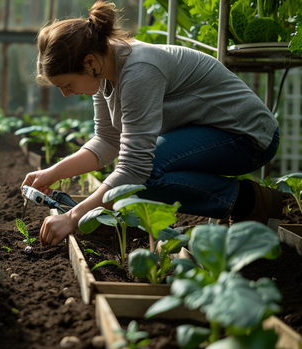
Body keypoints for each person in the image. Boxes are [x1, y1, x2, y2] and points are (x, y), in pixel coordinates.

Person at [22, 0, 286, 247]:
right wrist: (52, 173)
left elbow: (135, 168)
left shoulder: (139, 70)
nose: (66, 93)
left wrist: (72, 218)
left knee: (147, 172)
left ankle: (249, 202)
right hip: (217, 134)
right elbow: (107, 141)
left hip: (249, 137)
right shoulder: (105, 73)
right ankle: (237, 200)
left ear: (89, 62)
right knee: (145, 170)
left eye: (66, 84)